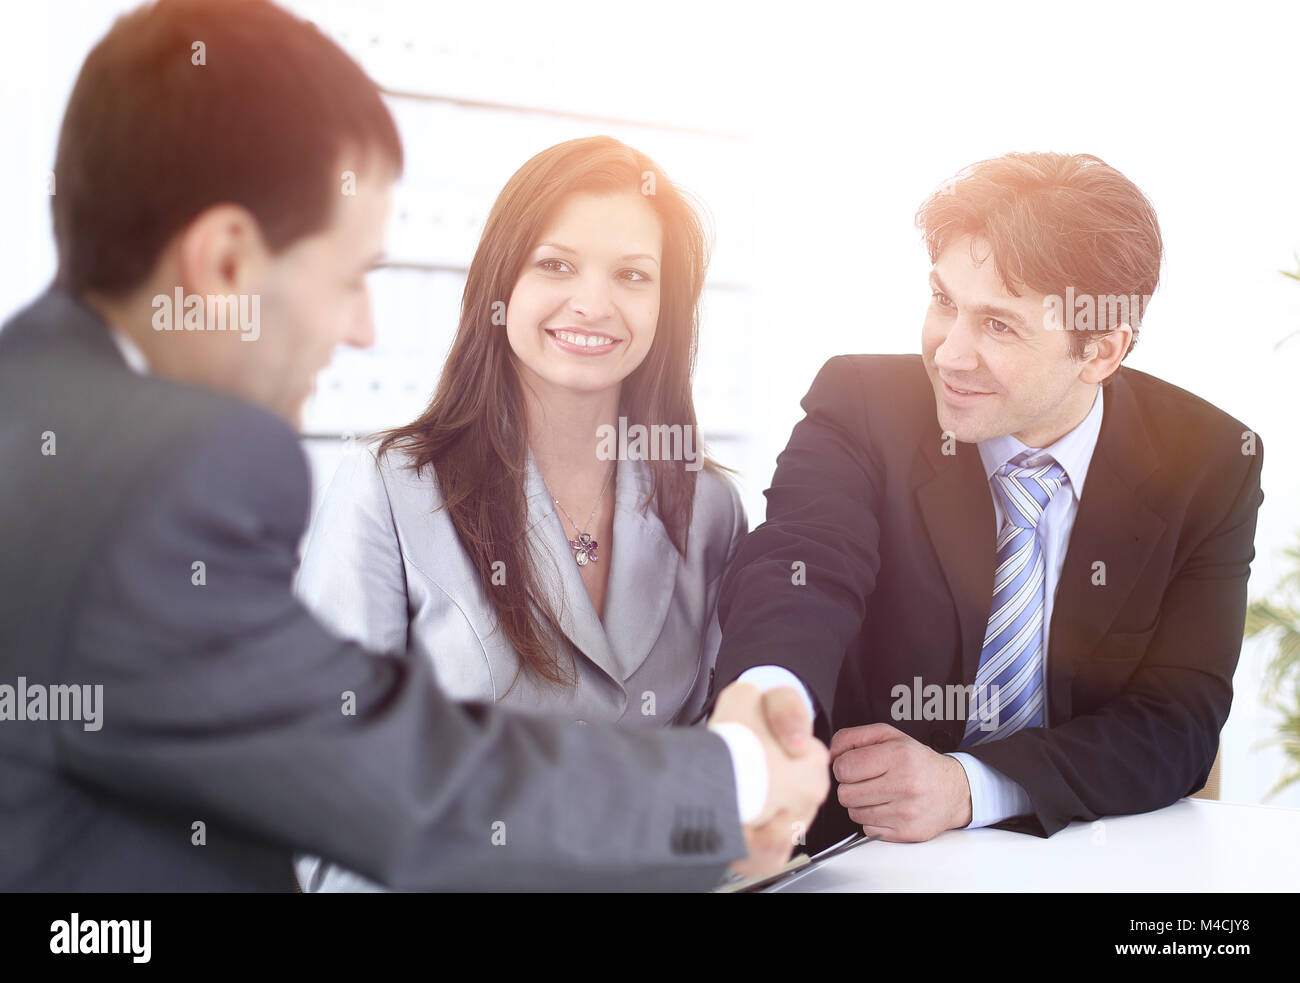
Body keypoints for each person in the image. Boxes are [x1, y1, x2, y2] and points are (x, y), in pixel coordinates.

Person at [0, 0, 828, 892]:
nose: (362, 329)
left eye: (632, 275)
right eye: (350, 276)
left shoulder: (42, 419)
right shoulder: (172, 475)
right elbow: (373, 782)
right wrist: (732, 779)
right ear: (226, 264)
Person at [710, 152, 1264, 849]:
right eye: (945, 301)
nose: (949, 353)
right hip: (864, 853)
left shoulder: (1209, 464)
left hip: (1076, 855)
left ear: (1100, 351)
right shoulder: (860, 406)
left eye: (999, 326)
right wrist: (769, 704)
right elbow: (804, 564)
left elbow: (1176, 722)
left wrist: (968, 785)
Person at [293, 136, 749, 891]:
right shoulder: (389, 489)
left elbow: (711, 774)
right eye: (556, 264)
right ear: (500, 282)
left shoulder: (707, 508)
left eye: (633, 275)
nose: (594, 305)